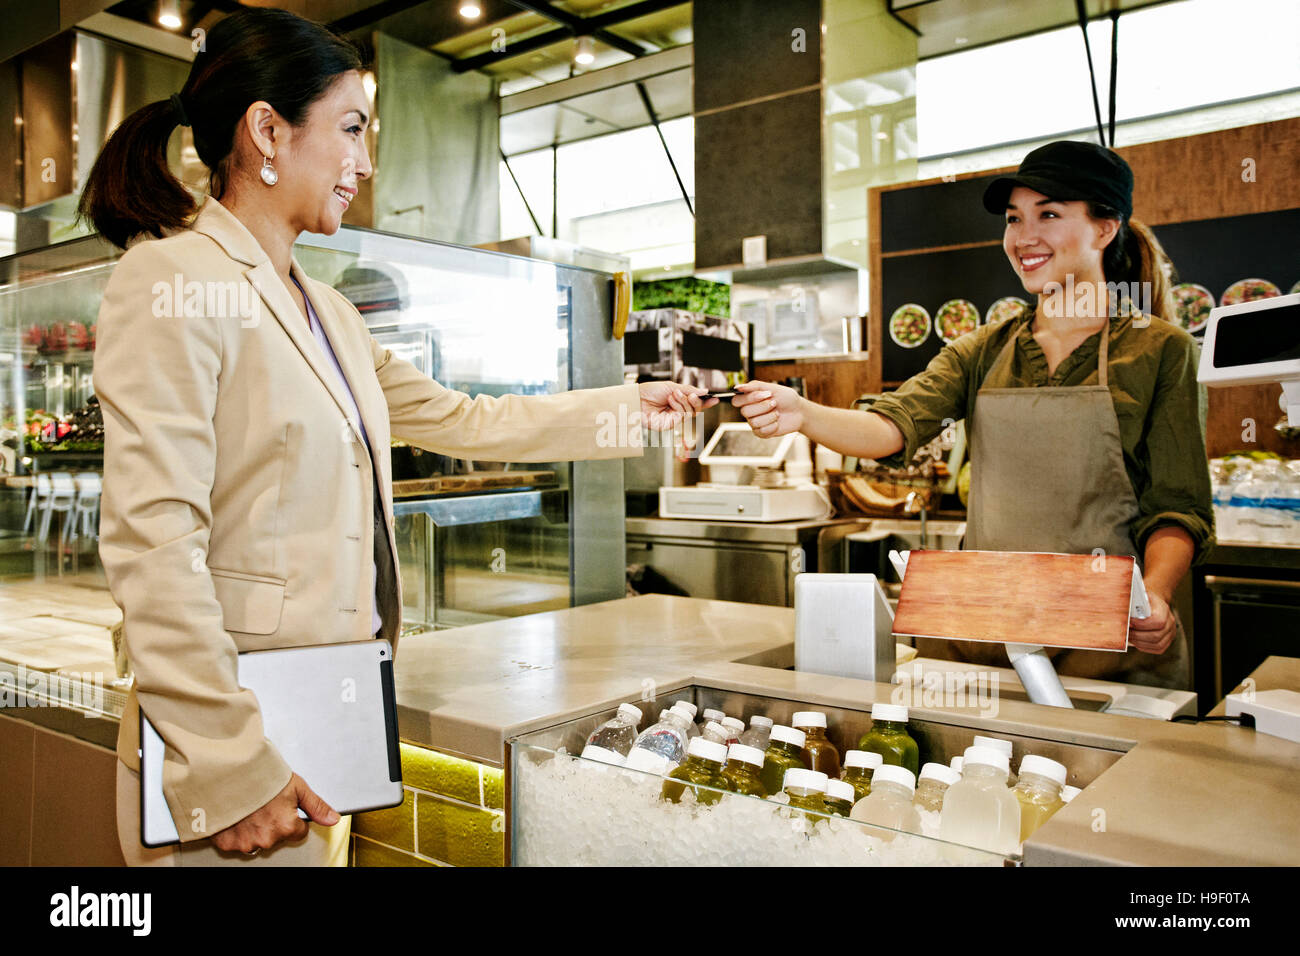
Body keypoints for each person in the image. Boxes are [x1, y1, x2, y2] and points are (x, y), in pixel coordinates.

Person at [79, 7, 713, 866]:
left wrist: (636, 408)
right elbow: (154, 544)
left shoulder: (329, 312)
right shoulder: (172, 277)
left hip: (325, 732)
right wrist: (232, 766)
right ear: (267, 130)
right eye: (348, 130)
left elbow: (462, 419)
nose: (364, 164)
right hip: (231, 764)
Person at [732, 140, 1213, 690]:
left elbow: (1178, 506)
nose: (1023, 237)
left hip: (1106, 642)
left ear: (1105, 229)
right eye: (1013, 219)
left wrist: (1157, 593)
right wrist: (801, 412)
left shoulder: (1162, 351)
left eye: (1048, 215)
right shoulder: (984, 349)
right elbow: (891, 427)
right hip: (984, 637)